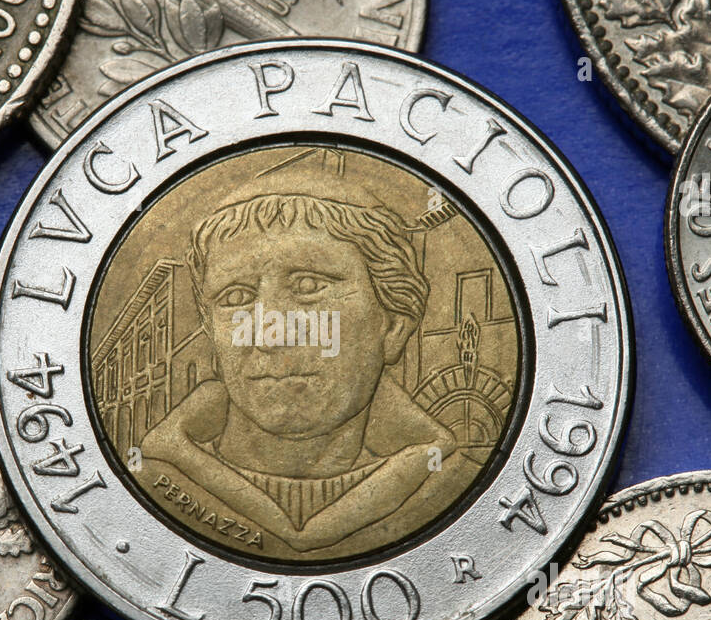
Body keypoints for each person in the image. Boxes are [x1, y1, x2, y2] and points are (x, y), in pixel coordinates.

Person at [138, 152, 476, 558]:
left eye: (309, 286)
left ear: (393, 326)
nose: (270, 334)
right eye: (236, 296)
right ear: (213, 339)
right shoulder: (146, 482)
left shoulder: (461, 485)